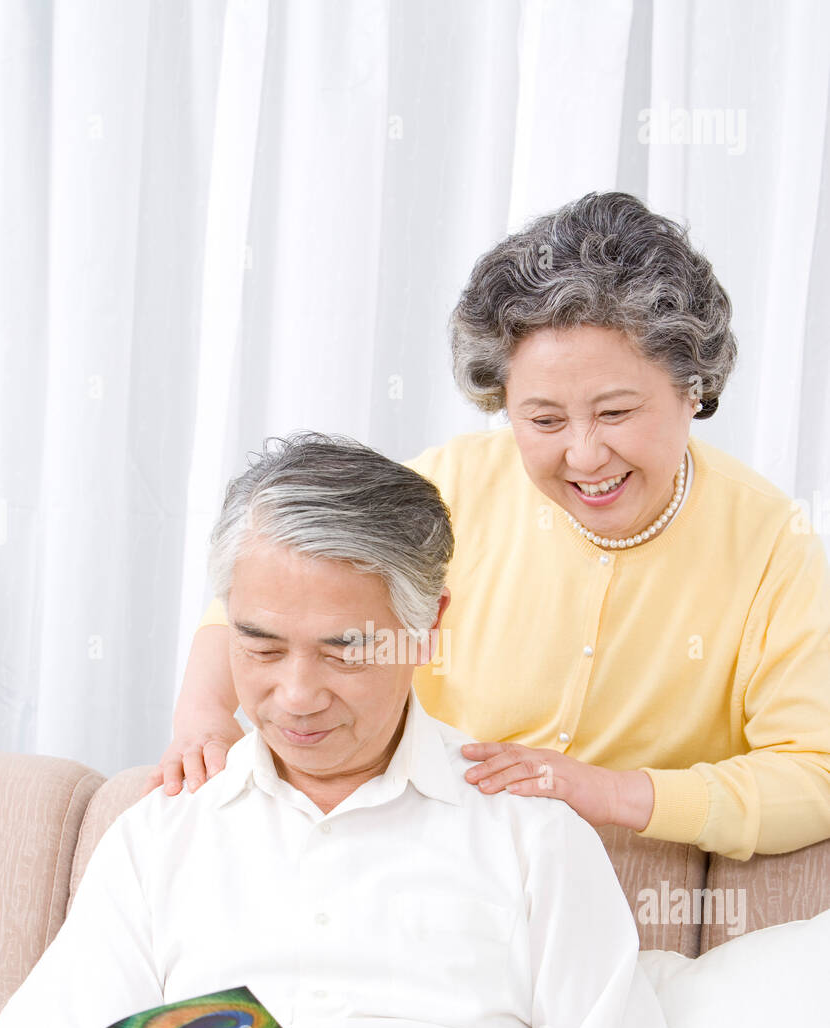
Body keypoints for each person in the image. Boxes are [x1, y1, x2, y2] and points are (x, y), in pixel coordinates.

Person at [0, 435, 688, 1028]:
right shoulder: (162, 835)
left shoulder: (530, 831)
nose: (296, 696)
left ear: (430, 627)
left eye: (345, 650)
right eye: (261, 648)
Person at [154, 192, 830, 862]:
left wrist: (615, 793)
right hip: (420, 854)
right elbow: (271, 587)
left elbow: (815, 774)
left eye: (617, 413)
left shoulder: (772, 543)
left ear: (694, 387)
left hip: (611, 878)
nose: (585, 455)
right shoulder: (446, 488)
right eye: (542, 420)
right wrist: (203, 714)